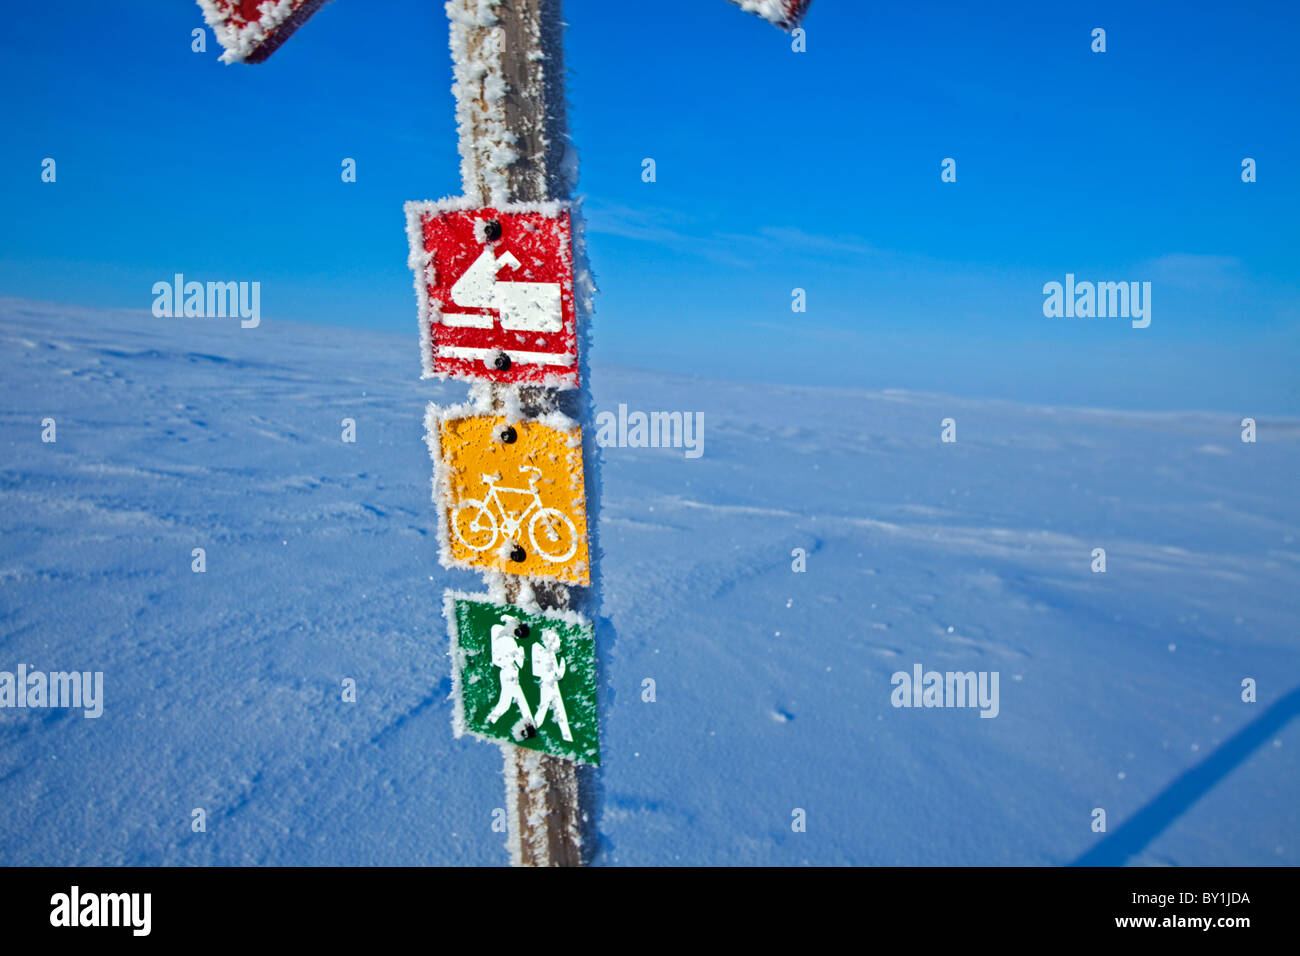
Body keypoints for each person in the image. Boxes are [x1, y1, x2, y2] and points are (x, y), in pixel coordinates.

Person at [487, 616, 533, 730]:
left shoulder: (499, 636)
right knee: (506, 703)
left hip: (511, 673)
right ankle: (490, 721)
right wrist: (521, 653)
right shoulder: (508, 640)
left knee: (520, 701)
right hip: (509, 674)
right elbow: (520, 662)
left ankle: (531, 724)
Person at [531, 628, 572, 742]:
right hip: (546, 684)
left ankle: (567, 736)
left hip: (553, 684)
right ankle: (531, 728)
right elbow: (538, 671)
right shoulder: (538, 649)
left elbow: (557, 673)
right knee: (543, 708)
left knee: (559, 710)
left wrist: (562, 666)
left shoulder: (551, 654)